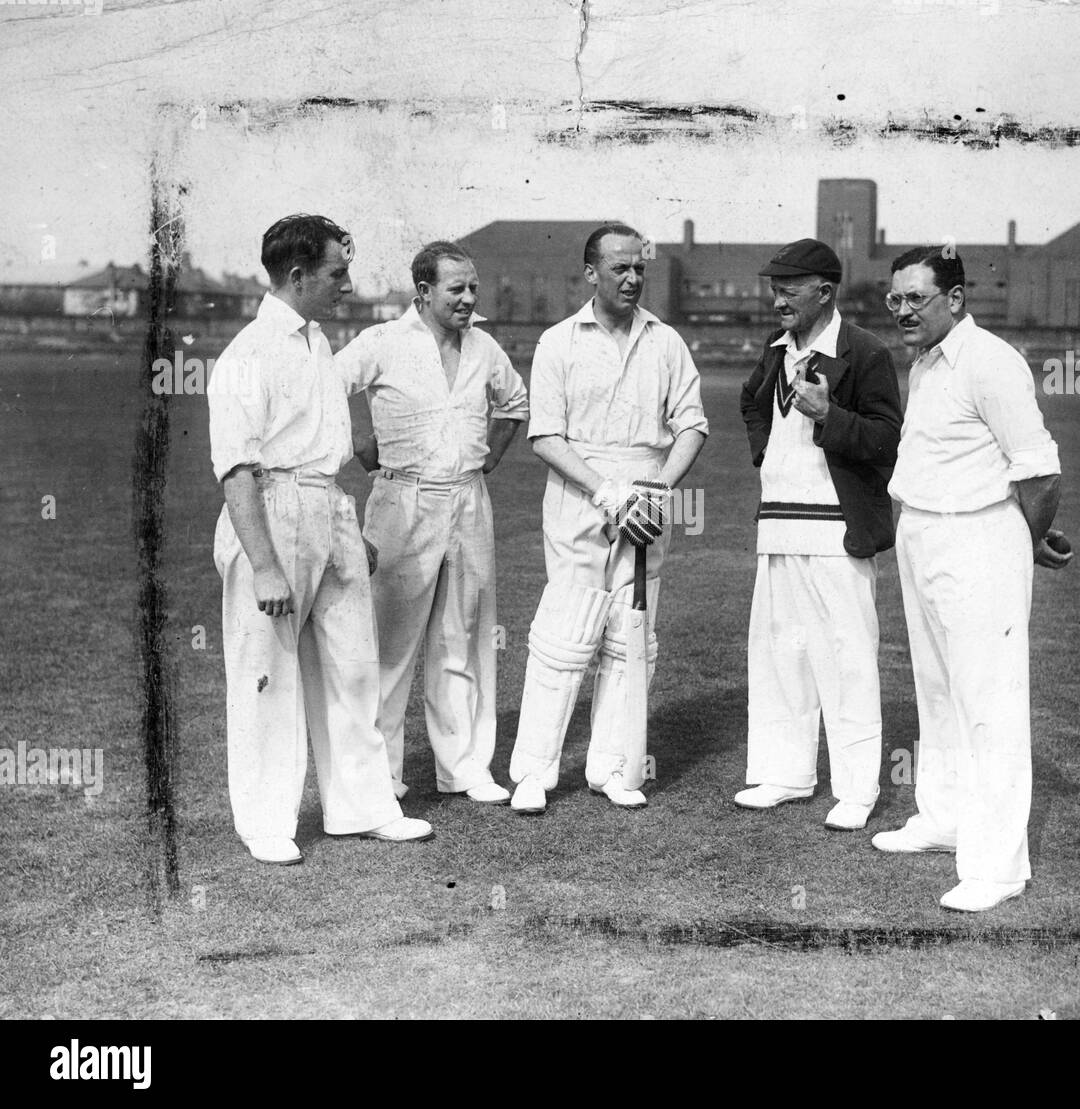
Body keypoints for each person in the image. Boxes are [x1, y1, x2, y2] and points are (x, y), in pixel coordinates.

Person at [207, 214, 433, 866]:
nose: (348, 284)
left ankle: (361, 806)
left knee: (354, 667)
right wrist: (266, 566)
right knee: (265, 674)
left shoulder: (317, 344)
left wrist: (343, 523)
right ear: (299, 275)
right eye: (338, 273)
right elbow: (237, 471)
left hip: (328, 510)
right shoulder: (248, 354)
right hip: (270, 518)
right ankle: (266, 821)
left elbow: (324, 448)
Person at [871, 245, 1072, 911]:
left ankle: (997, 865)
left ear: (955, 299)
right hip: (922, 533)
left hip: (979, 537)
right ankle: (943, 819)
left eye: (915, 299)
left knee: (990, 699)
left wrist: (1027, 536)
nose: (902, 311)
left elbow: (1040, 469)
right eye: (895, 299)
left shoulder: (990, 362)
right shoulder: (925, 362)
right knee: (937, 689)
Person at [507, 222, 708, 814]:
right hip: (580, 498)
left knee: (631, 638)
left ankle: (615, 768)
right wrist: (609, 494)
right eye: (619, 267)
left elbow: (692, 425)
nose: (632, 277)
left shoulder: (665, 341)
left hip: (646, 504)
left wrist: (655, 491)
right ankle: (534, 772)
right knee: (566, 636)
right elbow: (545, 436)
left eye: (639, 267)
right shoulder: (559, 342)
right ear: (591, 273)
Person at [336, 241, 528, 805]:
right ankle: (383, 774)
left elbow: (515, 403)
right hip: (401, 502)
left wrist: (488, 457)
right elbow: (320, 390)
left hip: (470, 501)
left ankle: (464, 768)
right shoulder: (382, 343)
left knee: (463, 640)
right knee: (390, 647)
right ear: (423, 292)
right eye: (457, 289)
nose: (470, 299)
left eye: (473, 288)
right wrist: (362, 448)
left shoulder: (485, 347)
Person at [736, 239, 902, 831]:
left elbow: (887, 441)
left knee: (846, 658)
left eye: (790, 288)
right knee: (780, 654)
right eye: (774, 287)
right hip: (778, 525)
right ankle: (784, 774)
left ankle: (856, 790)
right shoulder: (775, 349)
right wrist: (769, 456)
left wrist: (830, 418)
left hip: (837, 531)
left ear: (826, 291)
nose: (777, 298)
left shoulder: (865, 352)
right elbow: (751, 404)